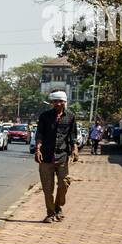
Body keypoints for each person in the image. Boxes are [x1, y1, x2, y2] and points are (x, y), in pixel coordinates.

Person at [34, 91, 79, 222]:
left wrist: (75, 149)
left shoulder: (70, 117)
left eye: (60, 101)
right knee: (48, 189)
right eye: (55, 101)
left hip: (62, 157)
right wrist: (38, 149)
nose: (58, 104)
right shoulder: (44, 116)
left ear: (65, 102)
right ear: (51, 103)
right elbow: (39, 134)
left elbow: (72, 136)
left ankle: (58, 206)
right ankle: (50, 213)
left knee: (64, 184)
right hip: (46, 157)